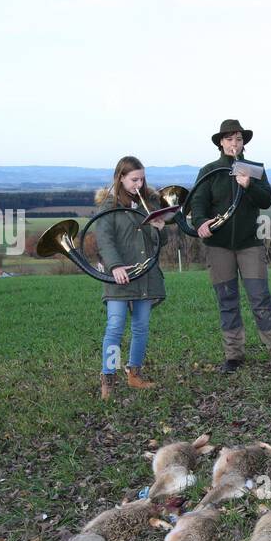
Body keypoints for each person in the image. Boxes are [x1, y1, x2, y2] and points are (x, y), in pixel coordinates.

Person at [189, 118, 271, 373]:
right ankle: (233, 355)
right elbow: (197, 204)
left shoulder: (255, 169)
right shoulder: (209, 171)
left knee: (260, 298)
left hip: (250, 244)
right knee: (227, 299)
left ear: (243, 143)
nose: (235, 143)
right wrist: (200, 222)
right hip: (218, 245)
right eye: (230, 139)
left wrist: (249, 184)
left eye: (239, 139)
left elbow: (266, 200)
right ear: (220, 143)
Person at [94, 155, 167, 400]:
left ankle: (134, 373)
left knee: (141, 327)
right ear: (120, 178)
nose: (139, 183)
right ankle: (109, 377)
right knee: (115, 327)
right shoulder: (108, 207)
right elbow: (104, 240)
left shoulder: (148, 204)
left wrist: (160, 229)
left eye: (142, 179)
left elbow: (157, 244)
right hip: (119, 278)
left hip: (145, 275)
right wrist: (115, 266)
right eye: (134, 179)